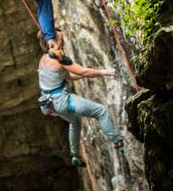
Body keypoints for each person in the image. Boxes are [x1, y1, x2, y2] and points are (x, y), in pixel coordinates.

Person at [38, 30, 123, 166]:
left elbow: (70, 76)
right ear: (52, 42)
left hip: (50, 104)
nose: (63, 42)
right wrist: (105, 72)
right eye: (61, 40)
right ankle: (117, 140)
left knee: (75, 122)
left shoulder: (43, 59)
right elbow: (83, 71)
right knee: (100, 111)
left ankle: (75, 156)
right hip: (62, 101)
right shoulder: (58, 60)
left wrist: (85, 74)